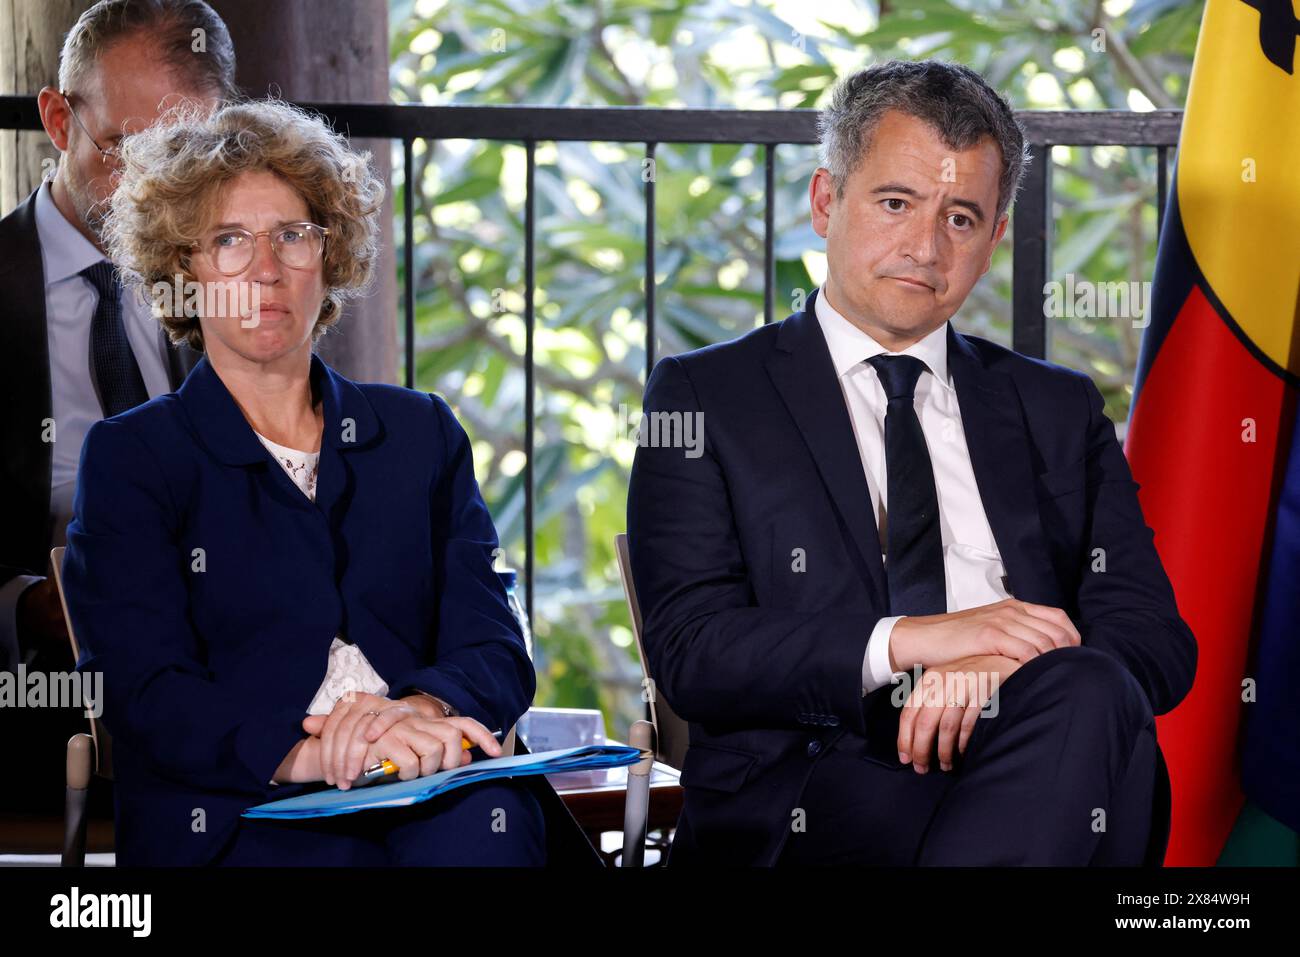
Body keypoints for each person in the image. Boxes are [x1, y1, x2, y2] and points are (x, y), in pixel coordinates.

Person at [625, 59, 1197, 867]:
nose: (925, 247)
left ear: (995, 238)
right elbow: (695, 648)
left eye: (961, 218)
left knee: (1091, 691)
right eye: (896, 203)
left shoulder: (1056, 408)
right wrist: (919, 642)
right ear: (827, 202)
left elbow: (1157, 640)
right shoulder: (704, 395)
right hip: (820, 791)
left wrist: (995, 664)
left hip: (1042, 752)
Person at [59, 97, 544, 866]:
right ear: (184, 268)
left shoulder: (421, 433)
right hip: (238, 803)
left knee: (492, 833)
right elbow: (142, 686)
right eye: (229, 240)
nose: (265, 268)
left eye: (293, 235)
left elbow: (495, 641)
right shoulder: (136, 457)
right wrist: (313, 754)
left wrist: (412, 713)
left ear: (331, 253)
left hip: (425, 780)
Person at [0, 0, 231, 820]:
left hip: (226, 663)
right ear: (59, 120)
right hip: (34, 681)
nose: (153, 186)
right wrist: (24, 604)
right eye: (124, 150)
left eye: (183, 155)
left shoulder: (234, 290)